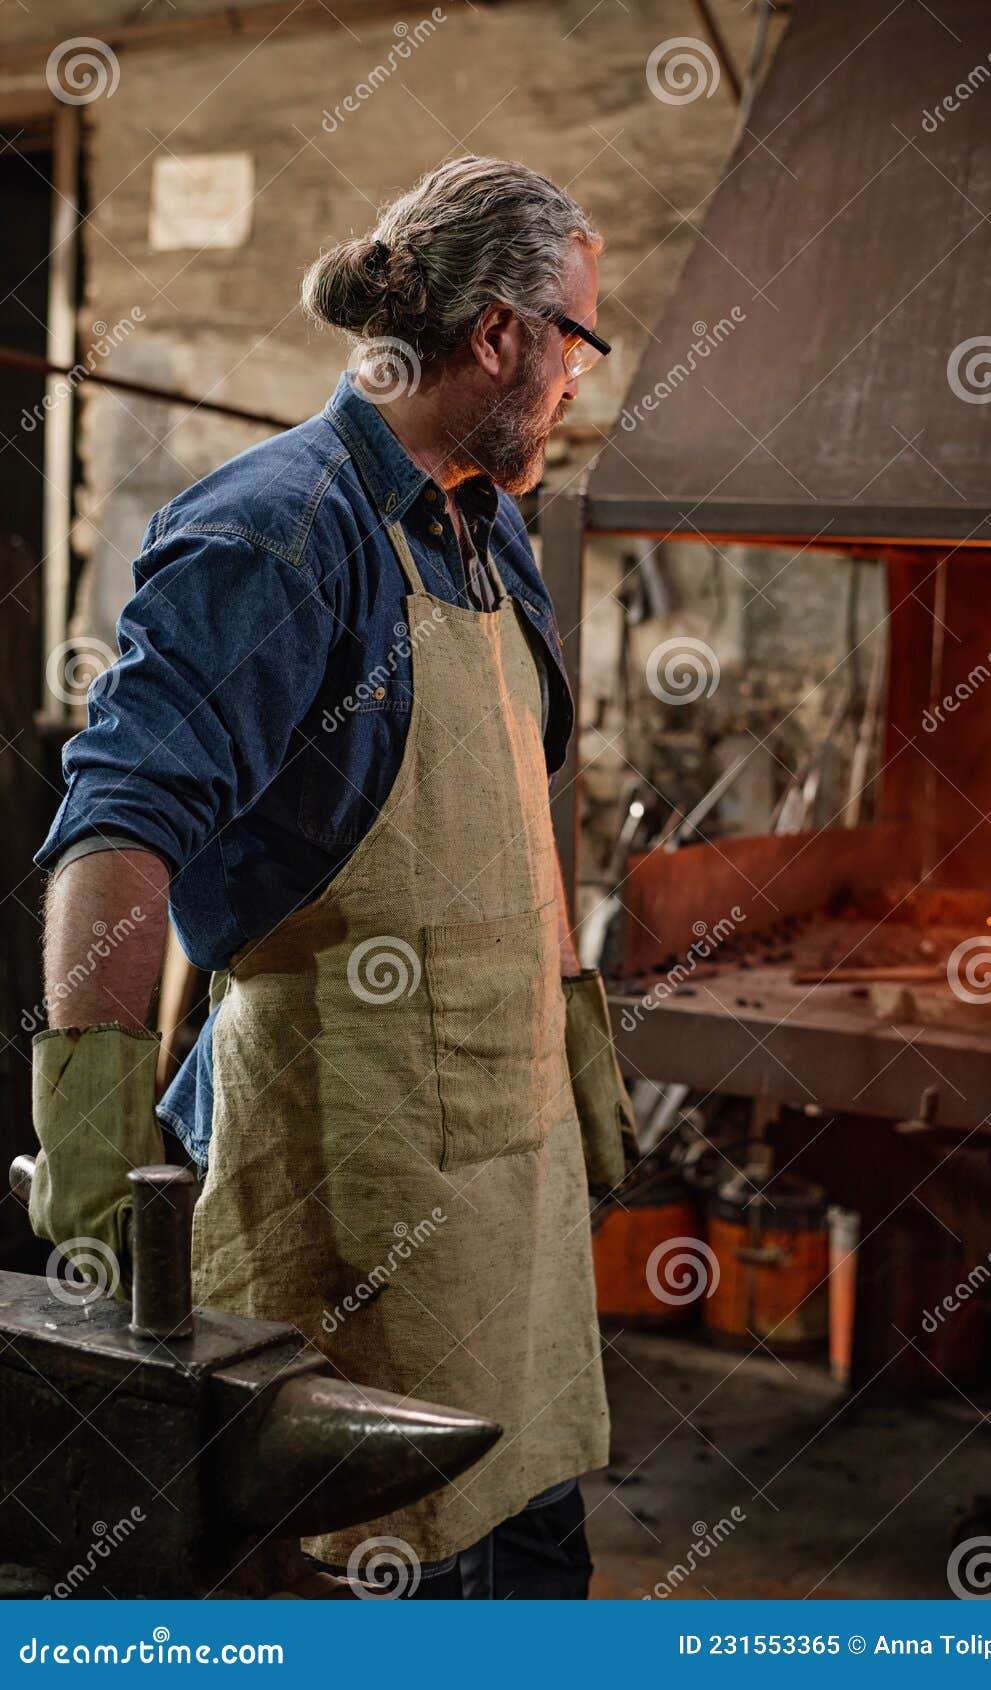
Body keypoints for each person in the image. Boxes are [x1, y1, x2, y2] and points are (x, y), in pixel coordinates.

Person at [29, 156, 638, 1599]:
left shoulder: (486, 525)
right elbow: (116, 830)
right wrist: (94, 1140)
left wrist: (573, 1036)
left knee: (536, 1573)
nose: (576, 379)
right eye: (575, 341)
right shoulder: (280, 530)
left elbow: (519, 799)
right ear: (498, 334)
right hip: (352, 1205)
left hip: (509, 1198)